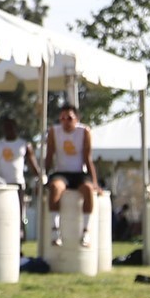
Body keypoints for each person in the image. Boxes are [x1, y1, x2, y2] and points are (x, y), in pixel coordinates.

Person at [45, 104, 99, 248]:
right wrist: (43, 176)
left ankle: (86, 231)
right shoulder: (53, 131)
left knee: (88, 189)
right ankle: (55, 231)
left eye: (69, 118)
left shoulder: (84, 131)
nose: (66, 122)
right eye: (62, 118)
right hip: (61, 173)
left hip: (79, 173)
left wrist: (94, 182)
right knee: (55, 187)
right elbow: (49, 155)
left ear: (77, 119)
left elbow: (88, 158)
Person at [0, 116, 40, 223]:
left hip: (18, 183)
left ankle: (20, 234)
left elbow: (32, 164)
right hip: (2, 184)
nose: (8, 130)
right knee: (3, 211)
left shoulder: (24, 144)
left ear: (15, 128)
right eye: (6, 127)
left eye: (10, 127)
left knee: (19, 211)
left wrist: (40, 177)